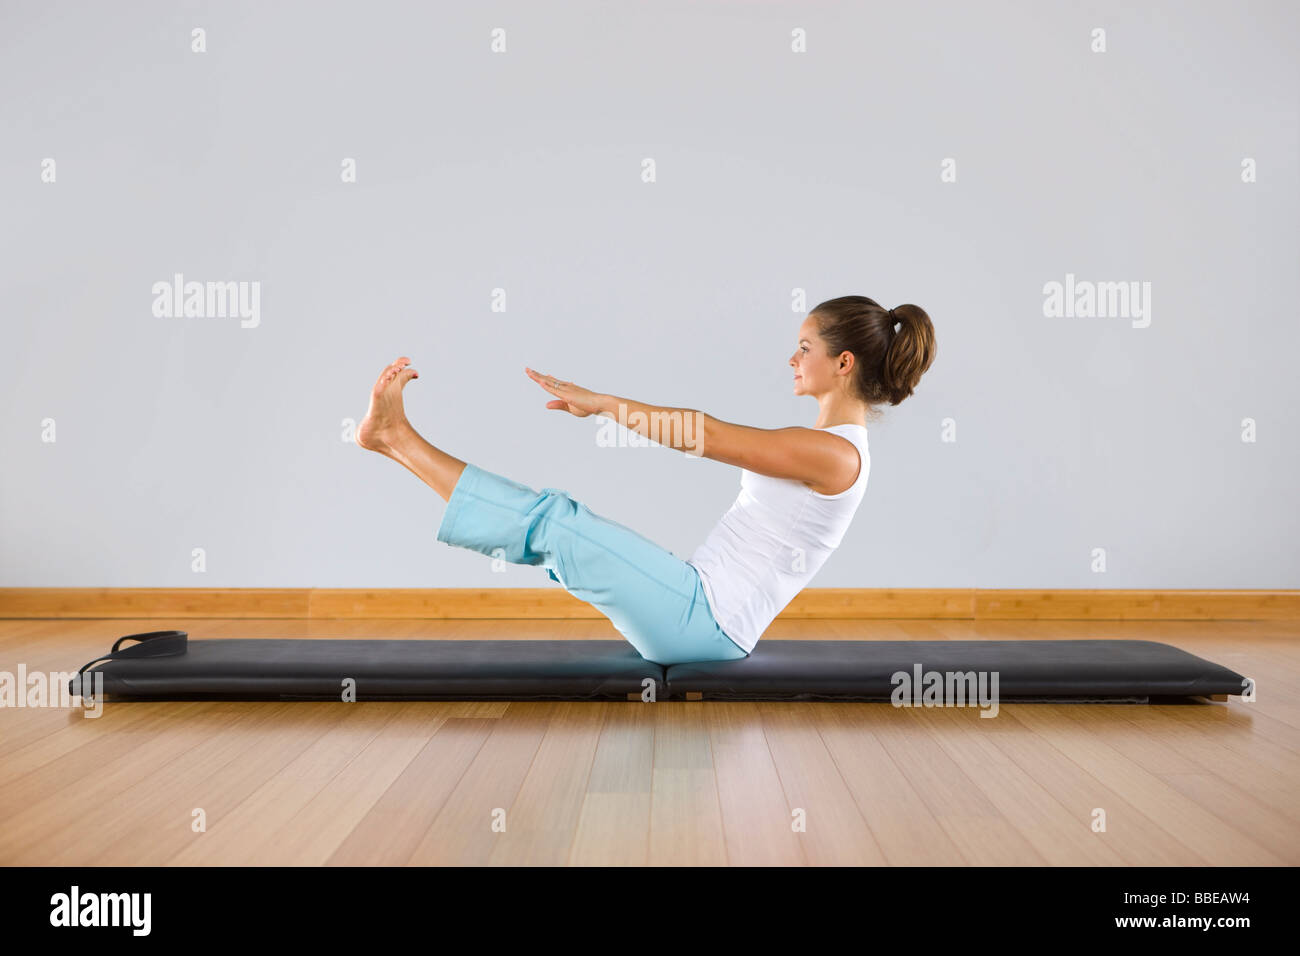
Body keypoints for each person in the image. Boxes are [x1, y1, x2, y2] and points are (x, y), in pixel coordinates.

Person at [355, 295, 936, 665]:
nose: (792, 359)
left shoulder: (836, 456)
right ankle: (393, 441)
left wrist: (607, 404)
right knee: (558, 532)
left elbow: (704, 435)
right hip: (697, 605)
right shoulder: (828, 448)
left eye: (805, 347)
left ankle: (394, 439)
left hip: (704, 622)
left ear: (843, 363)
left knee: (557, 524)